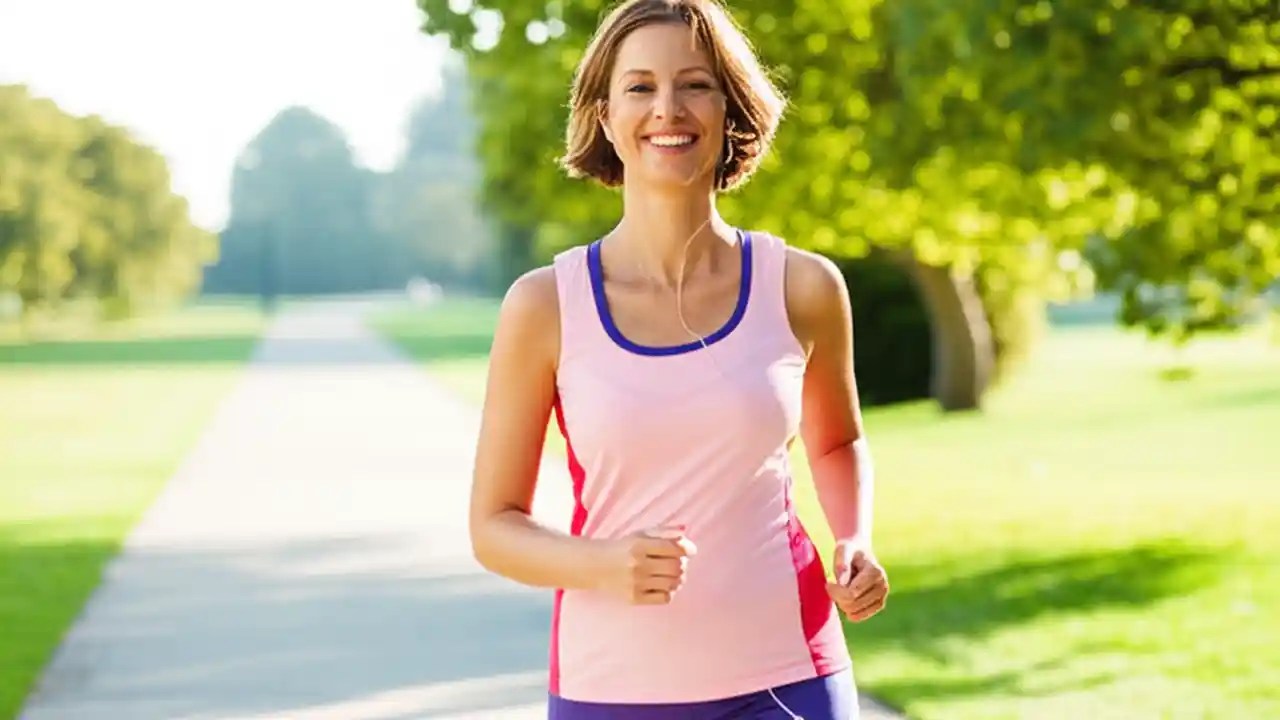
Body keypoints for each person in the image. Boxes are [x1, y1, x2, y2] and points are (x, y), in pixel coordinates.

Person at [470, 0, 889, 717]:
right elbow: (493, 525)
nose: (669, 108)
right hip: (610, 687)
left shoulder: (804, 287)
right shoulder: (545, 306)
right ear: (604, 116)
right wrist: (601, 564)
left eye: (695, 84)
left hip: (790, 679)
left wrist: (853, 538)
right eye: (640, 87)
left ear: (730, 108)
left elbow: (838, 441)